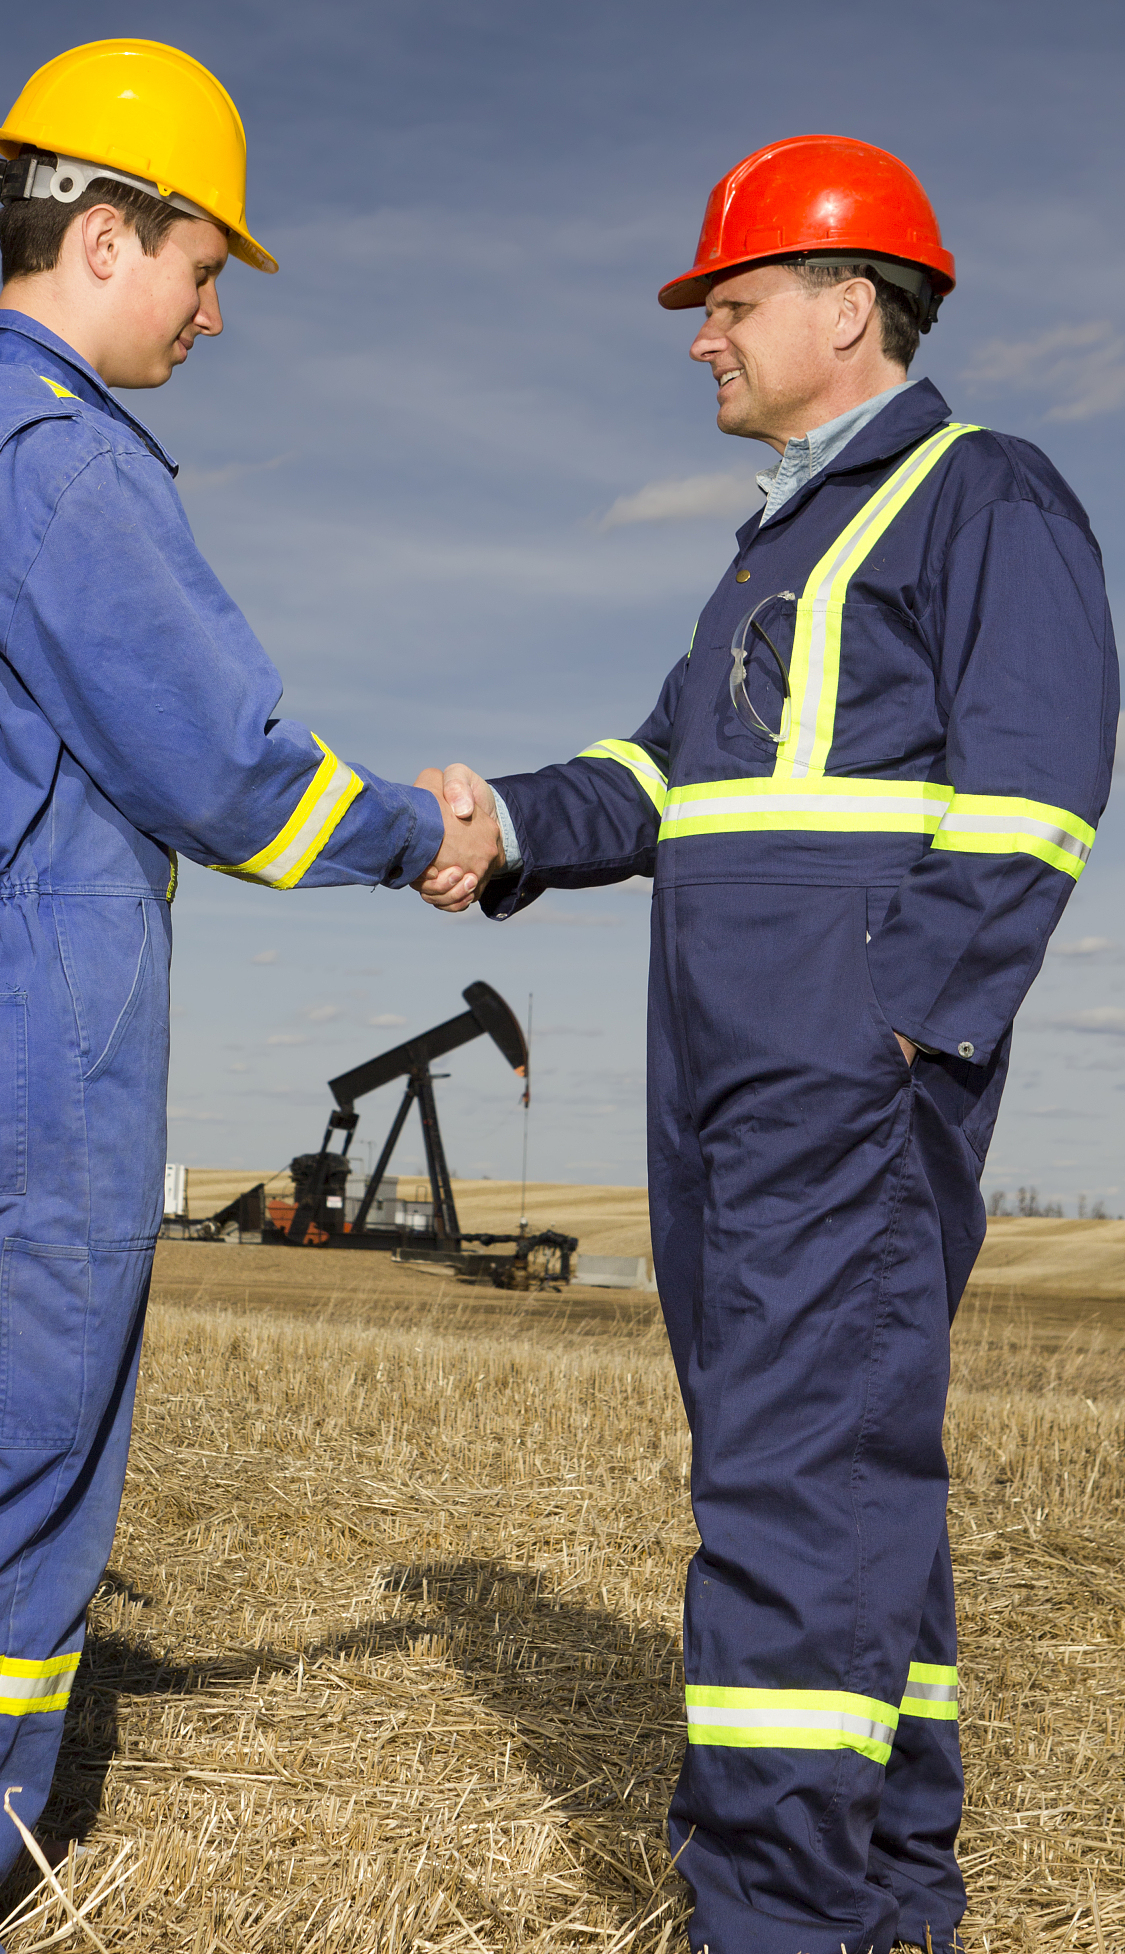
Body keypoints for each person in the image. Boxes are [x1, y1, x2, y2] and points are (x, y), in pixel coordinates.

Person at [0, 37, 496, 1951]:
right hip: (9, 1031)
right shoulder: (60, 460)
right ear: (105, 232)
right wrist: (412, 831)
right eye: (200, 266)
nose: (208, 312)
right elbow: (221, 766)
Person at [414, 135, 1118, 1953]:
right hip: (726, 1080)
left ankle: (773, 1919)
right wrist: (502, 826)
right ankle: (884, 1895)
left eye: (727, 304)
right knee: (828, 1473)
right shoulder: (775, 551)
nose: (701, 341)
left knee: (788, 1494)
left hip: (838, 1081)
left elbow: (1036, 797)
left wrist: (900, 1033)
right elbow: (660, 776)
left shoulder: (987, 495)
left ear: (846, 304)